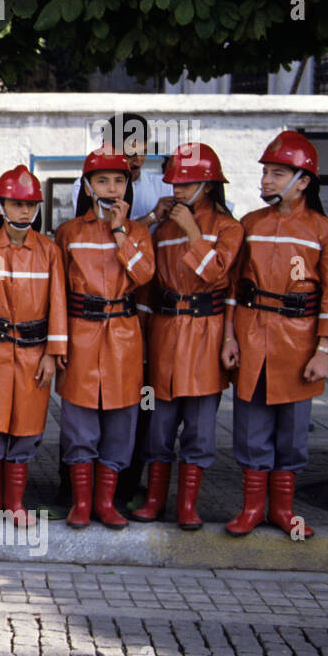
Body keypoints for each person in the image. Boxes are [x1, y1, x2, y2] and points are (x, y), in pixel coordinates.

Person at [222, 131, 328, 538]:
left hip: (298, 345)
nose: (266, 180)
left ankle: (283, 510)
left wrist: (324, 349)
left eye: (277, 173)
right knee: (251, 429)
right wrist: (229, 338)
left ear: (303, 181)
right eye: (265, 172)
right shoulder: (250, 224)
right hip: (251, 338)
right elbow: (234, 287)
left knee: (292, 434)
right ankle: (251, 509)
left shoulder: (326, 231)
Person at [129, 144, 242, 529]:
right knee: (157, 424)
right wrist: (143, 341)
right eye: (174, 182)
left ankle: (188, 506)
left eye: (186, 183)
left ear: (208, 185)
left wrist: (193, 232)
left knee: (199, 428)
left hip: (206, 335)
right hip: (164, 333)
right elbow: (146, 286)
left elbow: (218, 276)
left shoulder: (228, 228)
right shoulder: (162, 228)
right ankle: (154, 500)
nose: (176, 189)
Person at [55, 151, 156, 529]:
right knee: (78, 421)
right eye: (102, 181)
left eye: (118, 181)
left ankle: (106, 503)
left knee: (121, 420)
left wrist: (120, 232)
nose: (111, 189)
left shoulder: (139, 233)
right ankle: (81, 503)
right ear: (87, 187)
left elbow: (144, 275)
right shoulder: (69, 232)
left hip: (123, 336)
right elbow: (57, 293)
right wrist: (57, 344)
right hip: (80, 333)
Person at [0, 166, 67, 521]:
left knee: (26, 427)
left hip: (34, 353)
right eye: (16, 204)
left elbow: (58, 303)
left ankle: (16, 504)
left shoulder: (49, 251)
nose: (24, 211)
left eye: (30, 205)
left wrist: (53, 354)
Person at [70, 113, 174, 230]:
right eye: (131, 153)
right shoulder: (86, 186)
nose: (138, 159)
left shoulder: (164, 185)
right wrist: (152, 216)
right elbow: (99, 233)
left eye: (143, 152)